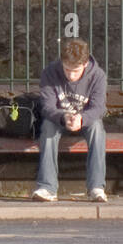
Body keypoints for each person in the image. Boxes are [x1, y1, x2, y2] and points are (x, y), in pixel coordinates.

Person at [32, 38, 108, 202]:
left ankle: (96, 187)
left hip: (85, 119)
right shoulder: (50, 72)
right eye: (67, 70)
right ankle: (47, 187)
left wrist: (82, 118)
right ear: (61, 62)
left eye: (76, 70)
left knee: (97, 129)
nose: (71, 75)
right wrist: (63, 116)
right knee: (47, 128)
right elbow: (47, 106)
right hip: (58, 119)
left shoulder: (98, 76)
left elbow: (99, 108)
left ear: (85, 64)